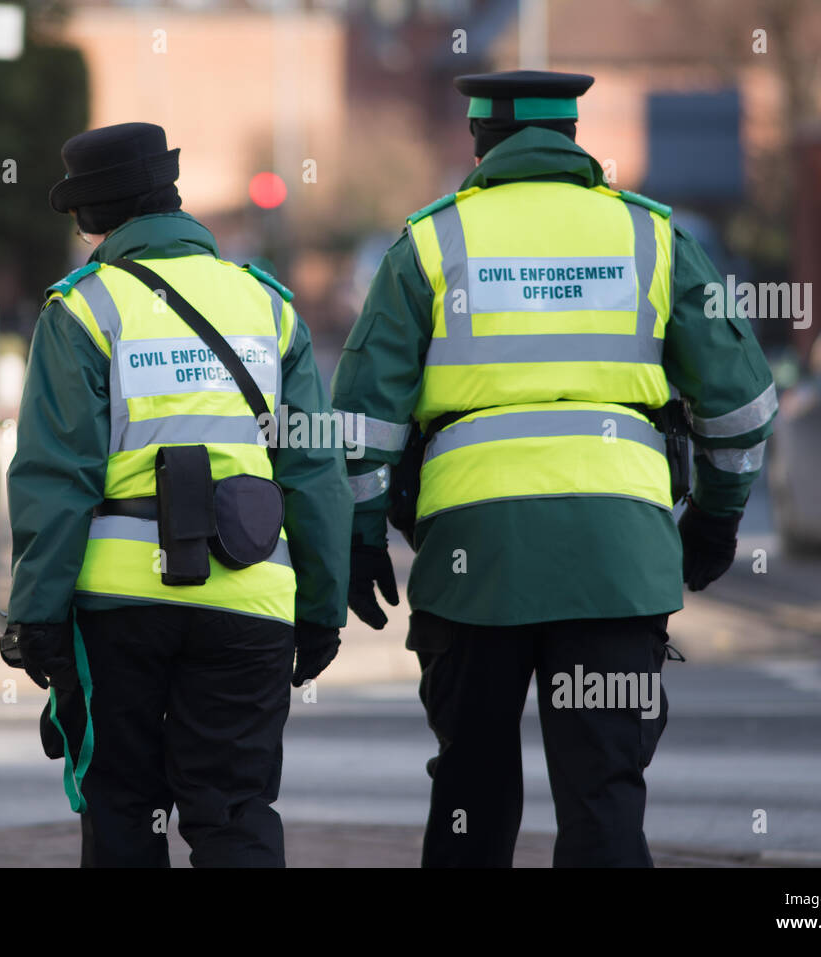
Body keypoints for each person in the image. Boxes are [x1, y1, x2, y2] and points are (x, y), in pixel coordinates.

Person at [331, 71, 776, 867]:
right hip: (615, 563)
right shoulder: (651, 236)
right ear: (572, 137)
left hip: (475, 562)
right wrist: (716, 514)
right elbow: (740, 400)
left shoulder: (431, 242)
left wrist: (362, 540)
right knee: (603, 790)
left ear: (479, 143)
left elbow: (364, 422)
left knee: (471, 785)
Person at [1, 122, 351, 867]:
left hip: (120, 609)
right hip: (250, 602)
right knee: (235, 812)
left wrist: (36, 613)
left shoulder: (82, 311)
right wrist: (321, 606)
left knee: (125, 810)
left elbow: (55, 478)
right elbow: (313, 472)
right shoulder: (270, 307)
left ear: (94, 217)